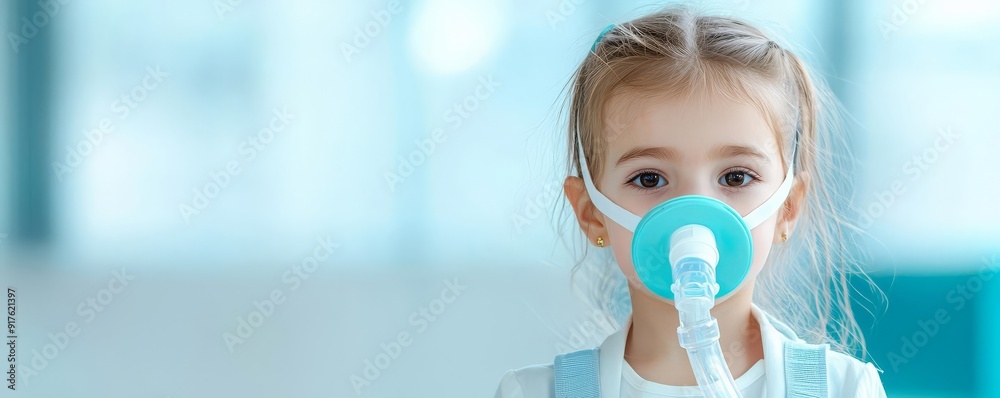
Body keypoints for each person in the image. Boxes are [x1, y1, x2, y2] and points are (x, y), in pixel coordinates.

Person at [494, 5, 887, 397]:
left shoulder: (844, 388)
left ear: (788, 208)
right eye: (650, 179)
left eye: (736, 177)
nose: (694, 209)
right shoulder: (534, 392)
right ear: (592, 213)